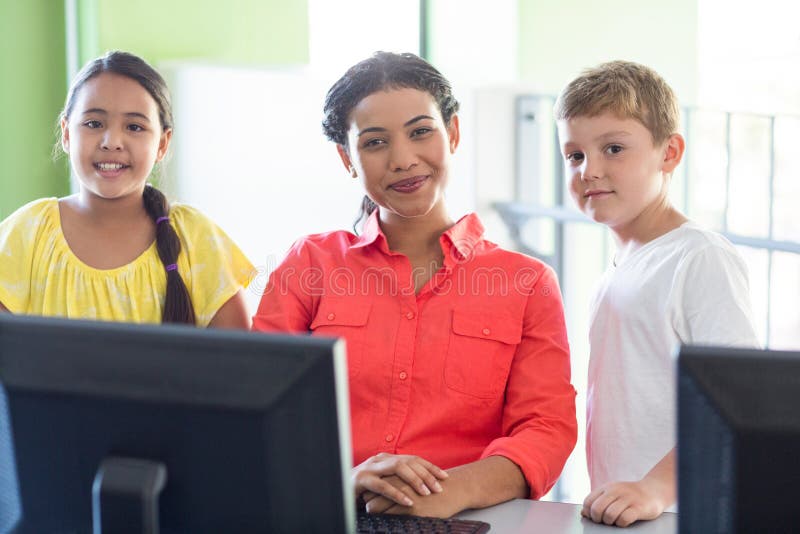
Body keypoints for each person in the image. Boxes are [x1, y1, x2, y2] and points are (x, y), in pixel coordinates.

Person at [253, 52, 577, 518]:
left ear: (454, 134)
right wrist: (339, 480)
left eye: (421, 131)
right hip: (327, 512)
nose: (403, 159)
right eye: (375, 142)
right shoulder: (310, 263)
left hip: (467, 521)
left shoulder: (527, 282)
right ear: (347, 158)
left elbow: (546, 428)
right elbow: (262, 406)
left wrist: (453, 491)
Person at [554, 60, 759, 527]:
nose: (590, 170)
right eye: (575, 155)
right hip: (626, 513)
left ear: (669, 153)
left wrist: (654, 488)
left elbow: (734, 401)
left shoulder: (699, 258)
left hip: (681, 513)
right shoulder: (614, 272)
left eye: (613, 148)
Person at [0, 51, 253, 328]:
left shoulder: (197, 239)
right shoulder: (27, 234)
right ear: (67, 134)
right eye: (94, 124)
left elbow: (238, 365)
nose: (112, 142)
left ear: (162, 144)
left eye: (134, 126)